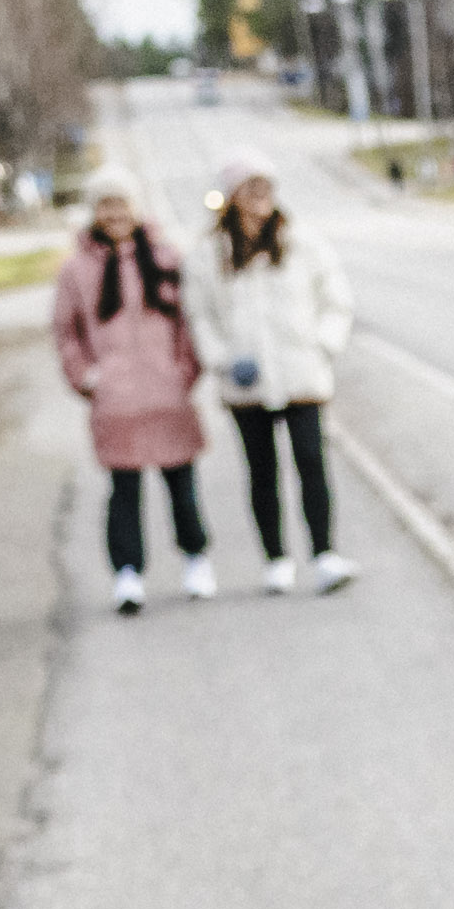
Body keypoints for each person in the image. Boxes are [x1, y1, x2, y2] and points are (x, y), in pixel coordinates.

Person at [50, 169, 213, 613]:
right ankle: (128, 572)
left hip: (167, 392)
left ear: (135, 208)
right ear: (94, 212)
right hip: (116, 399)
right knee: (124, 489)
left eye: (121, 203)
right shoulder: (77, 270)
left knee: (181, 482)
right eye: (105, 205)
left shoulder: (164, 258)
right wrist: (87, 377)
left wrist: (184, 371)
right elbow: (67, 332)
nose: (115, 213)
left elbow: (188, 321)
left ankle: (195, 558)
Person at [192, 151, 353, 593]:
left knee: (311, 463)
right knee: (262, 472)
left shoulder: (303, 242)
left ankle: (324, 554)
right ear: (232, 197)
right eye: (250, 186)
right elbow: (200, 316)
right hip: (247, 383)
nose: (260, 194)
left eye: (266, 185)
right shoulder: (210, 255)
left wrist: (323, 347)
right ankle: (276, 560)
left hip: (302, 374)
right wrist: (223, 359)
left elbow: (336, 299)